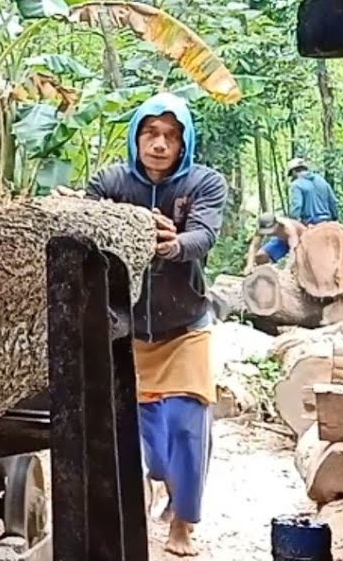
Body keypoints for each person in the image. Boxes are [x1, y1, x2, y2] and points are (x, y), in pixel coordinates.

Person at [84, 91, 227, 557]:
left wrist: (170, 244)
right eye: (150, 133)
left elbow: (202, 235)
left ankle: (182, 523)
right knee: (147, 438)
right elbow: (85, 217)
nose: (160, 144)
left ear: (184, 143)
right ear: (136, 137)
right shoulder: (111, 181)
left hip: (185, 325)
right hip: (125, 333)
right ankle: (161, 485)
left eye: (170, 136)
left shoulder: (205, 183)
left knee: (186, 424)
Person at [287, 157, 339, 227]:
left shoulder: (296, 184)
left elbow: (297, 207)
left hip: (310, 222)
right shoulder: (322, 181)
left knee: (276, 238)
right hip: (328, 220)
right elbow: (333, 201)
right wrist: (335, 218)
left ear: (293, 171)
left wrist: (292, 222)